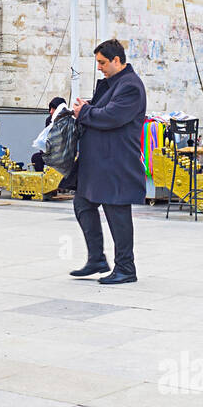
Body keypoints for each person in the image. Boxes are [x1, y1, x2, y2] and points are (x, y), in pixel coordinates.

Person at [69, 39, 146, 285]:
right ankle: (96, 259)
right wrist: (87, 107)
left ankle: (126, 267)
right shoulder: (113, 84)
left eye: (102, 62)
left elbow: (113, 116)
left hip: (117, 162)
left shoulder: (131, 86)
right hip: (99, 163)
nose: (99, 67)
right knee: (82, 203)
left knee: (117, 213)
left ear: (116, 60)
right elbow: (102, 109)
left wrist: (86, 112)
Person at [30, 96, 68, 171]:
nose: (51, 111)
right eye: (50, 109)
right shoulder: (49, 120)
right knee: (36, 158)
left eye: (53, 109)